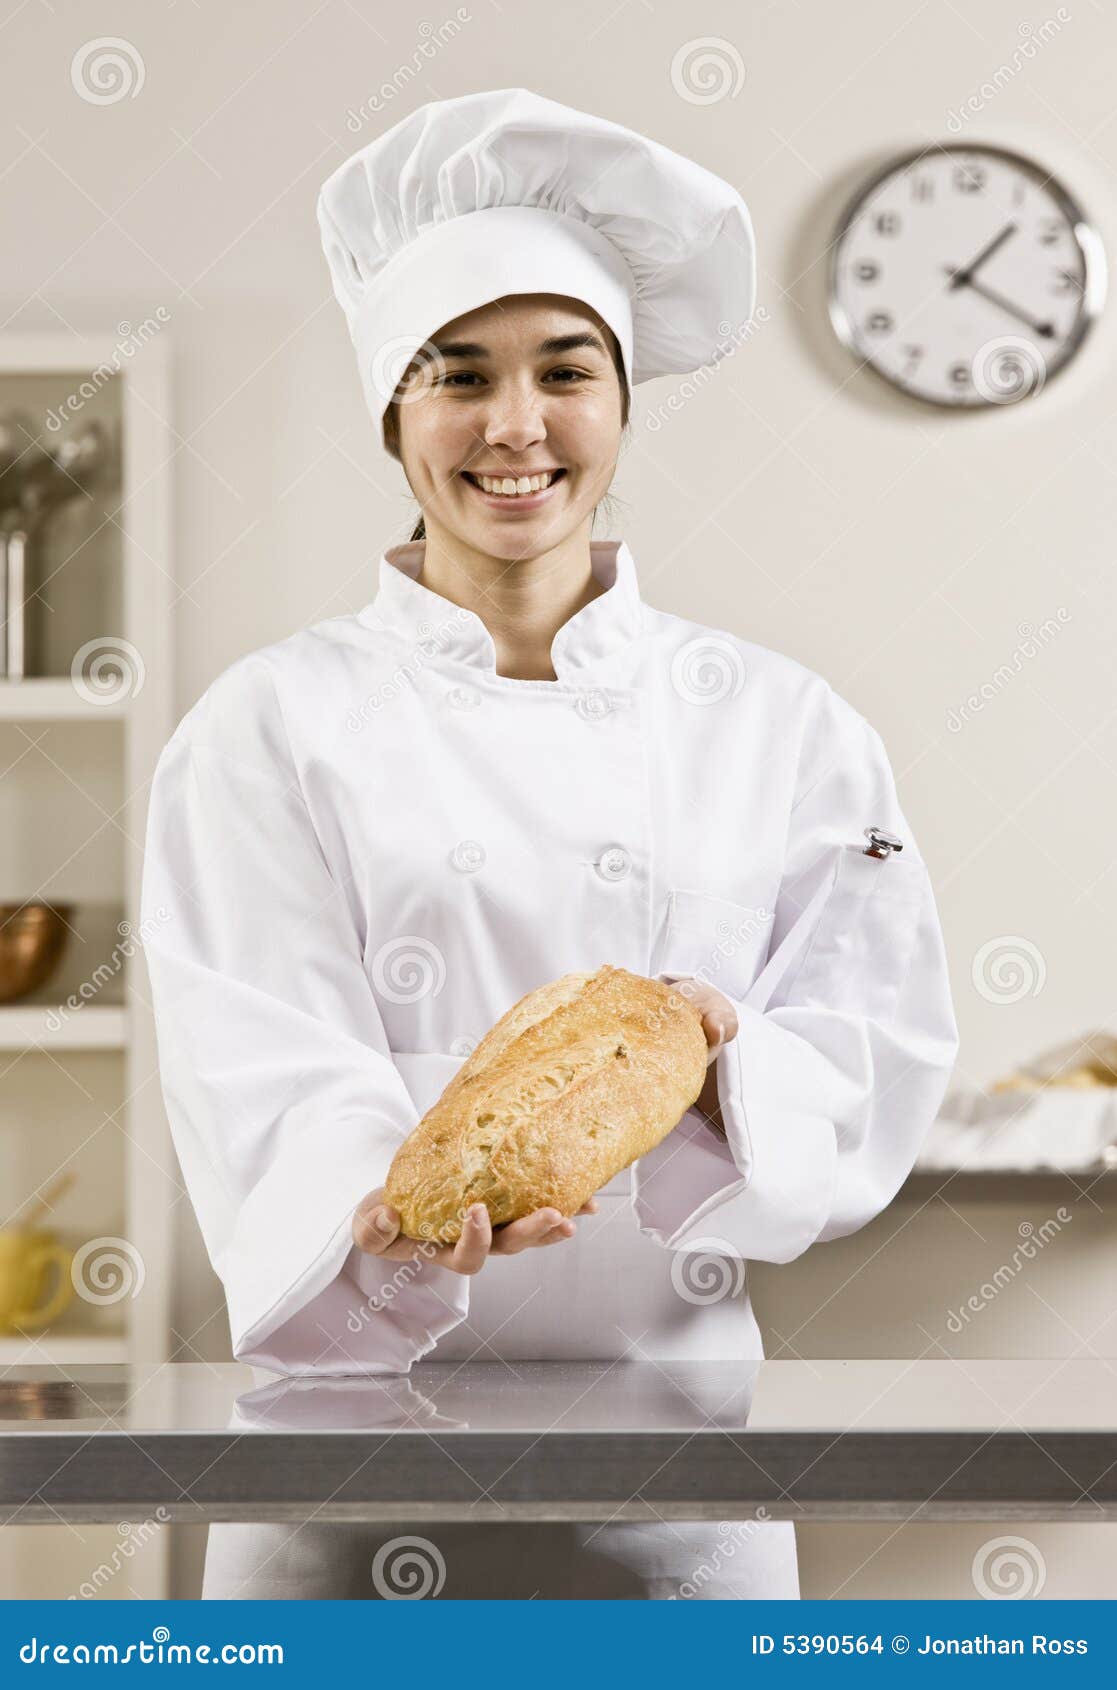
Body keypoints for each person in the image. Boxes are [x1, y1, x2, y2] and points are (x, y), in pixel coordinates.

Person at [140, 87, 959, 1600]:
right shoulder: (266, 726)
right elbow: (255, 1055)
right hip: (344, 1474)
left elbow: (871, 1044)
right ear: (391, 412)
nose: (514, 425)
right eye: (458, 373)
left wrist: (728, 1066)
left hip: (682, 1487)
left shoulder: (780, 723)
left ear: (623, 402)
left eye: (562, 371)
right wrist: (379, 1220)